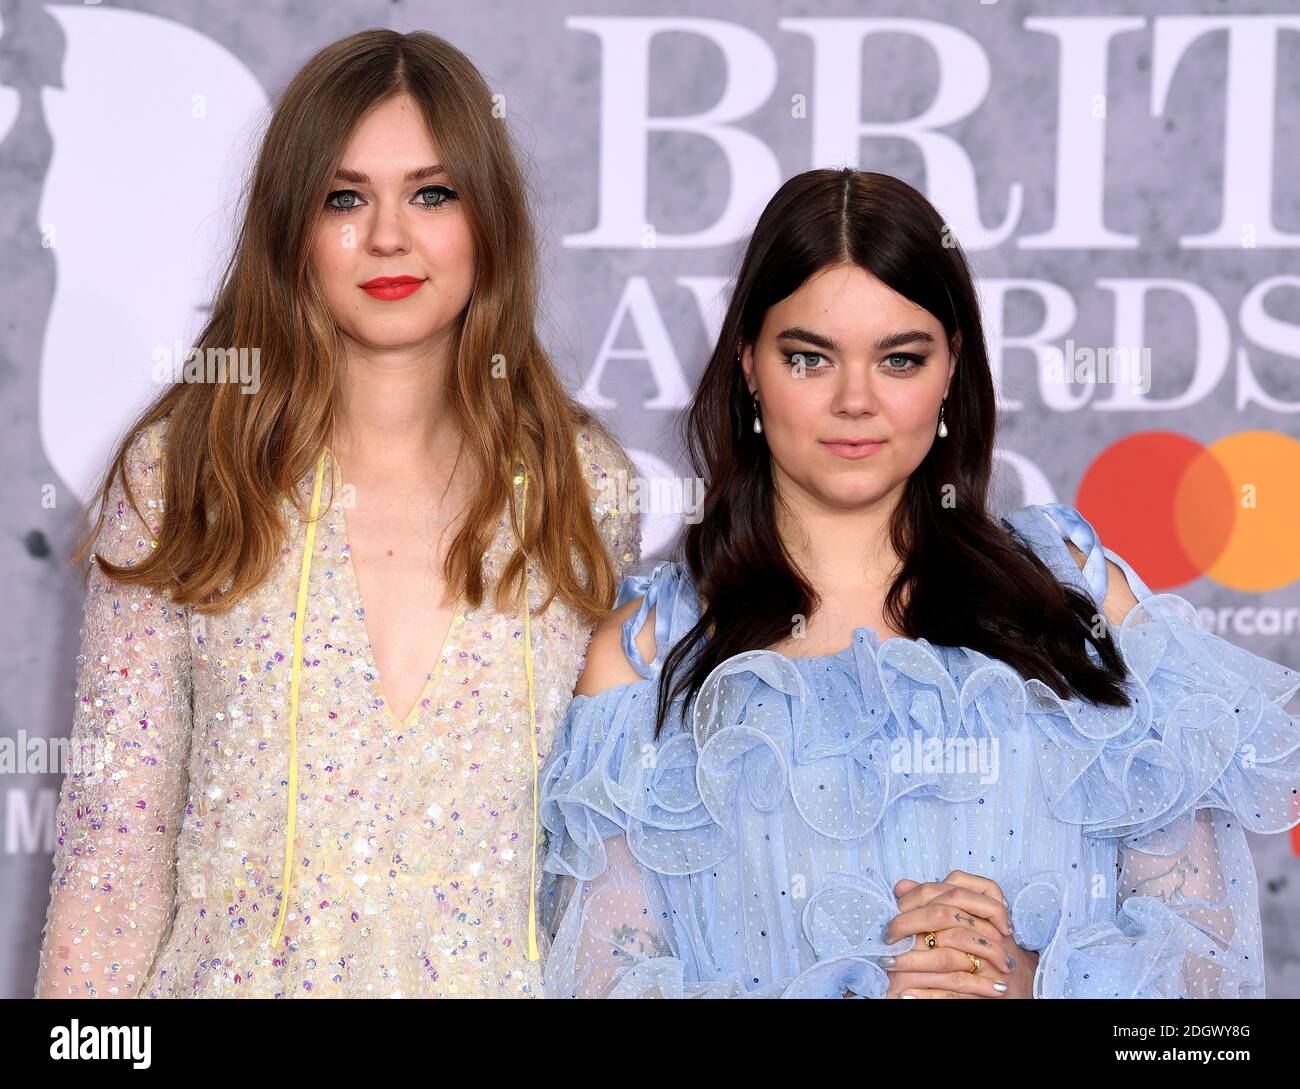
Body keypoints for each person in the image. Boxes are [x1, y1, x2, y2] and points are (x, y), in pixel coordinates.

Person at [535, 168, 1300, 999]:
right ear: (749, 364)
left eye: (899, 358)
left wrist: (1034, 984)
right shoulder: (645, 662)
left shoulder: (1081, 603)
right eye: (809, 357)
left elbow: (1209, 1017)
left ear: (950, 370)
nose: (855, 400)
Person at [35, 29, 640, 999]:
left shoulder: (582, 487)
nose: (388, 236)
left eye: (432, 194)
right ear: (291, 227)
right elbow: (112, 865)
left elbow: (608, 874)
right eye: (345, 198)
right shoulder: (185, 473)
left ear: (489, 220)